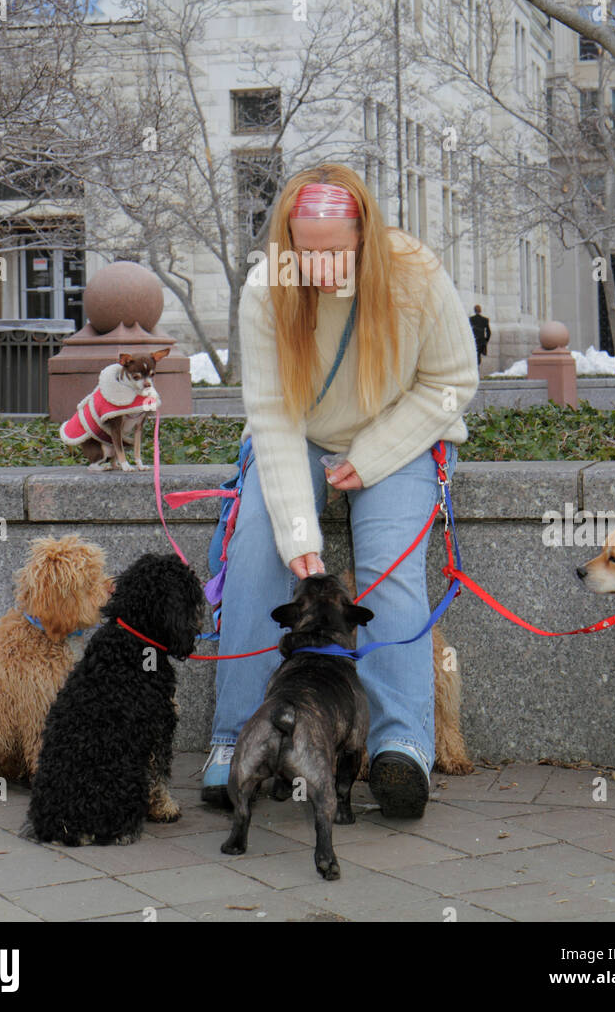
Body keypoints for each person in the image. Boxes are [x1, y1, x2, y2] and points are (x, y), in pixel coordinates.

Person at [202, 163, 479, 819]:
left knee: (390, 572)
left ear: (364, 236)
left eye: (335, 250)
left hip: (402, 436)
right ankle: (235, 741)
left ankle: (400, 748)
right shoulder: (267, 289)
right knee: (257, 554)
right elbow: (272, 417)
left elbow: (452, 382)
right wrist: (300, 532)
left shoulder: (415, 273)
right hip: (300, 435)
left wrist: (375, 453)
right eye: (306, 249)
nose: (319, 266)